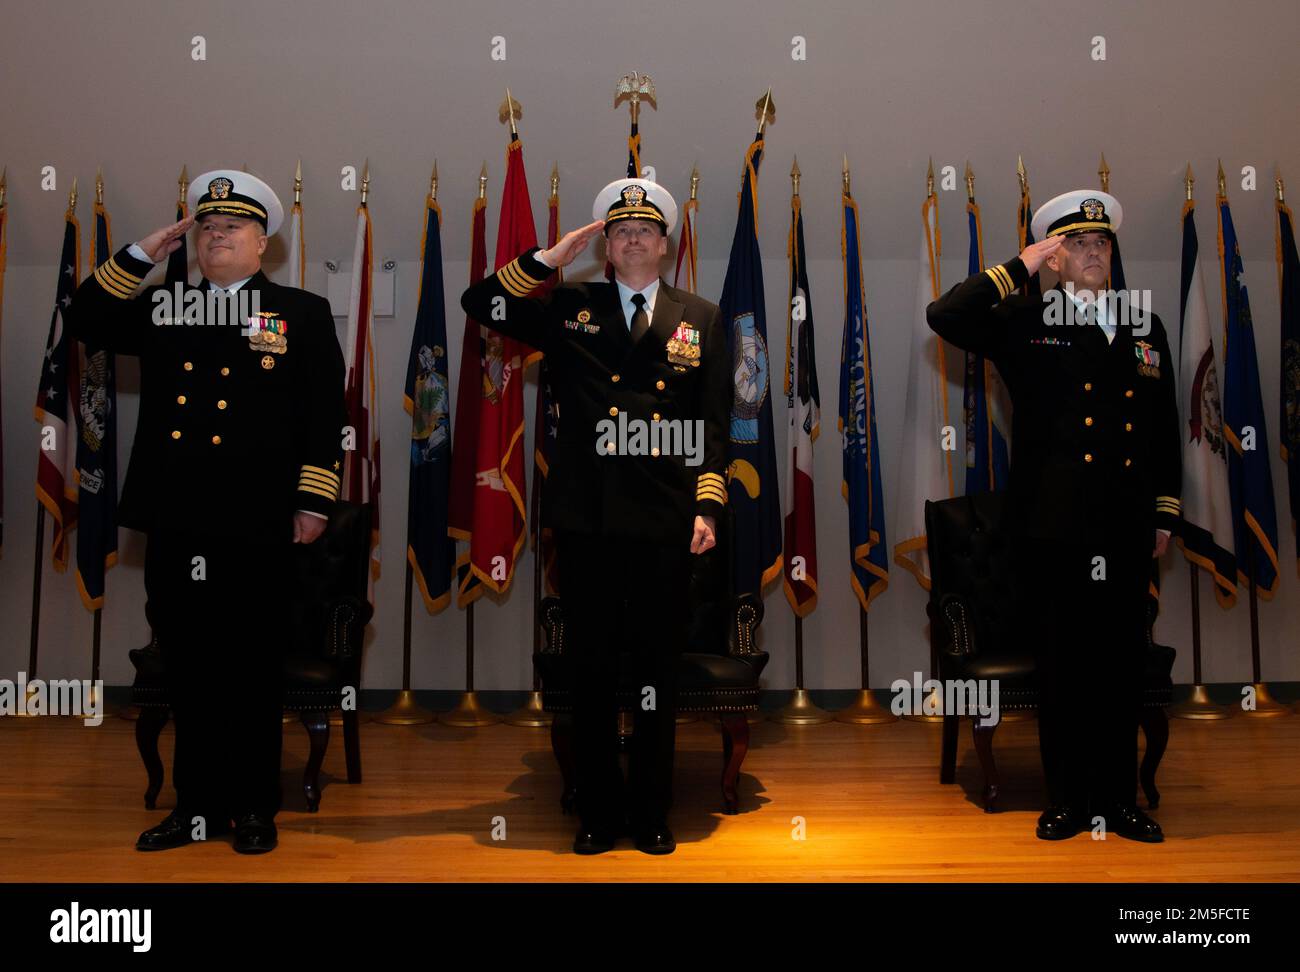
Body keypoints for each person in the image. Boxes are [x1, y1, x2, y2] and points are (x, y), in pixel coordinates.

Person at [68, 170, 347, 854]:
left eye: (232, 228)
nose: (216, 236)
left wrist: (314, 499)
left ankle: (253, 808)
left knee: (251, 667)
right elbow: (84, 319)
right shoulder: (166, 306)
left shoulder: (300, 312)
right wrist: (139, 255)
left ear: (263, 243)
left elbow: (325, 415)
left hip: (258, 519)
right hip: (177, 516)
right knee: (190, 666)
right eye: (207, 227)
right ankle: (195, 808)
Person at [461, 178, 729, 854]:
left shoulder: (701, 315)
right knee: (592, 672)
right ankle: (598, 814)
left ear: (666, 244)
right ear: (604, 247)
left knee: (652, 674)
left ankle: (651, 811)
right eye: (617, 232)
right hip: (588, 520)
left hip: (666, 519)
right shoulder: (569, 305)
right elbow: (481, 303)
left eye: (643, 230)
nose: (630, 238)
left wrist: (706, 502)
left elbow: (716, 424)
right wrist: (545, 261)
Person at [927, 190, 1180, 843]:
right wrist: (1019, 264)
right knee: (1064, 667)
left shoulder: (1143, 324)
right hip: (1055, 523)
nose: (1092, 252)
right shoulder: (1025, 319)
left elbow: (1163, 428)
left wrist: (1165, 513)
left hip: (1123, 522)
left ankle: (1121, 802)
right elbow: (945, 315)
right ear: (1057, 258)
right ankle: (1068, 799)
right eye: (1076, 244)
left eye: (1101, 243)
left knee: (1120, 666)